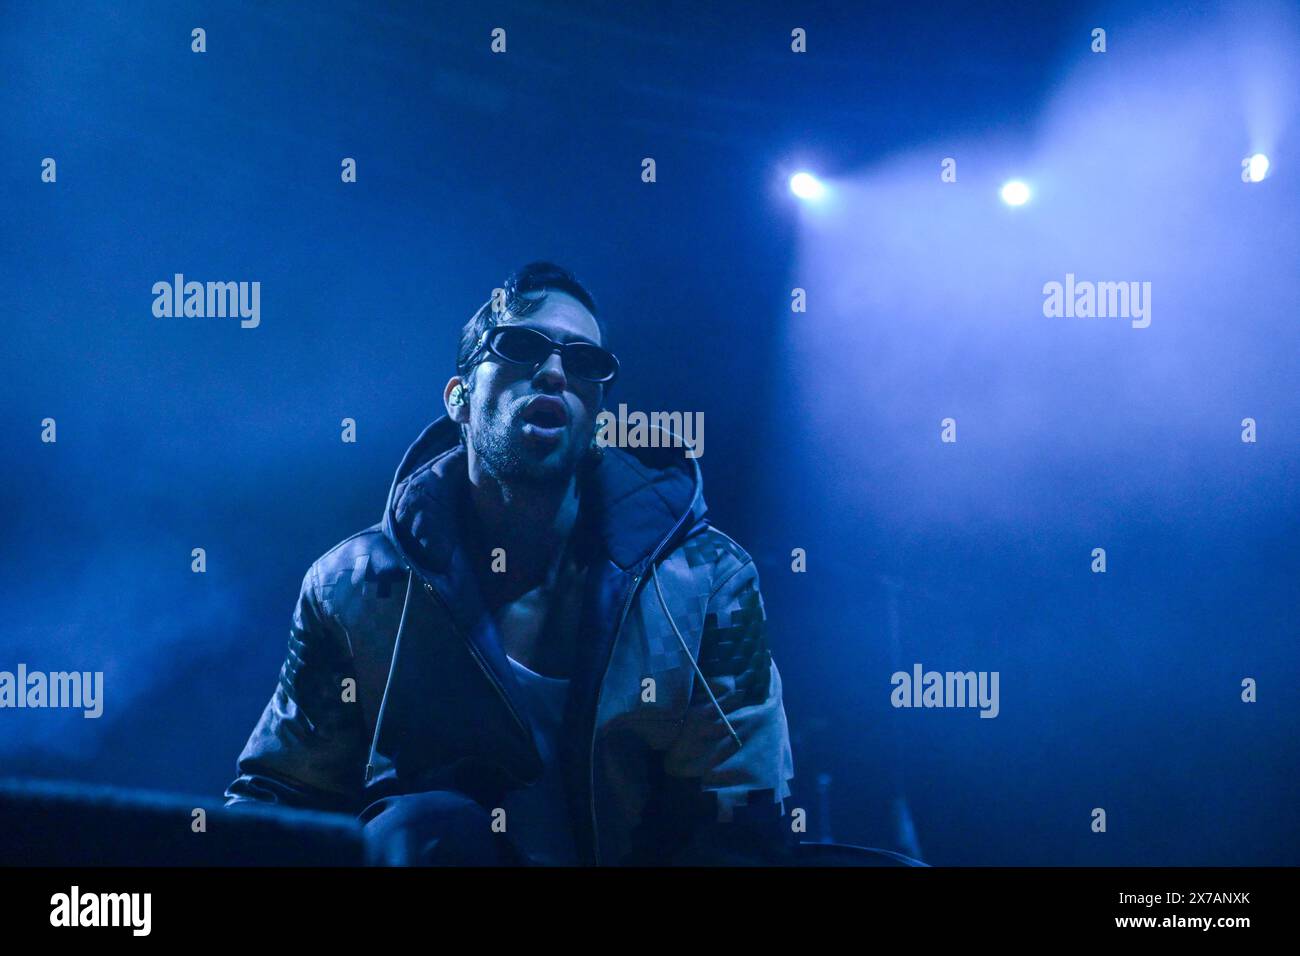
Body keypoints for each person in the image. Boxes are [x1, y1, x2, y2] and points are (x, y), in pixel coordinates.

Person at [225, 262, 795, 865]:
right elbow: (281, 796)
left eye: (584, 364)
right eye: (521, 347)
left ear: (598, 411)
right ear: (459, 399)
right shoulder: (352, 588)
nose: (554, 373)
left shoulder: (708, 583)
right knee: (430, 825)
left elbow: (743, 820)